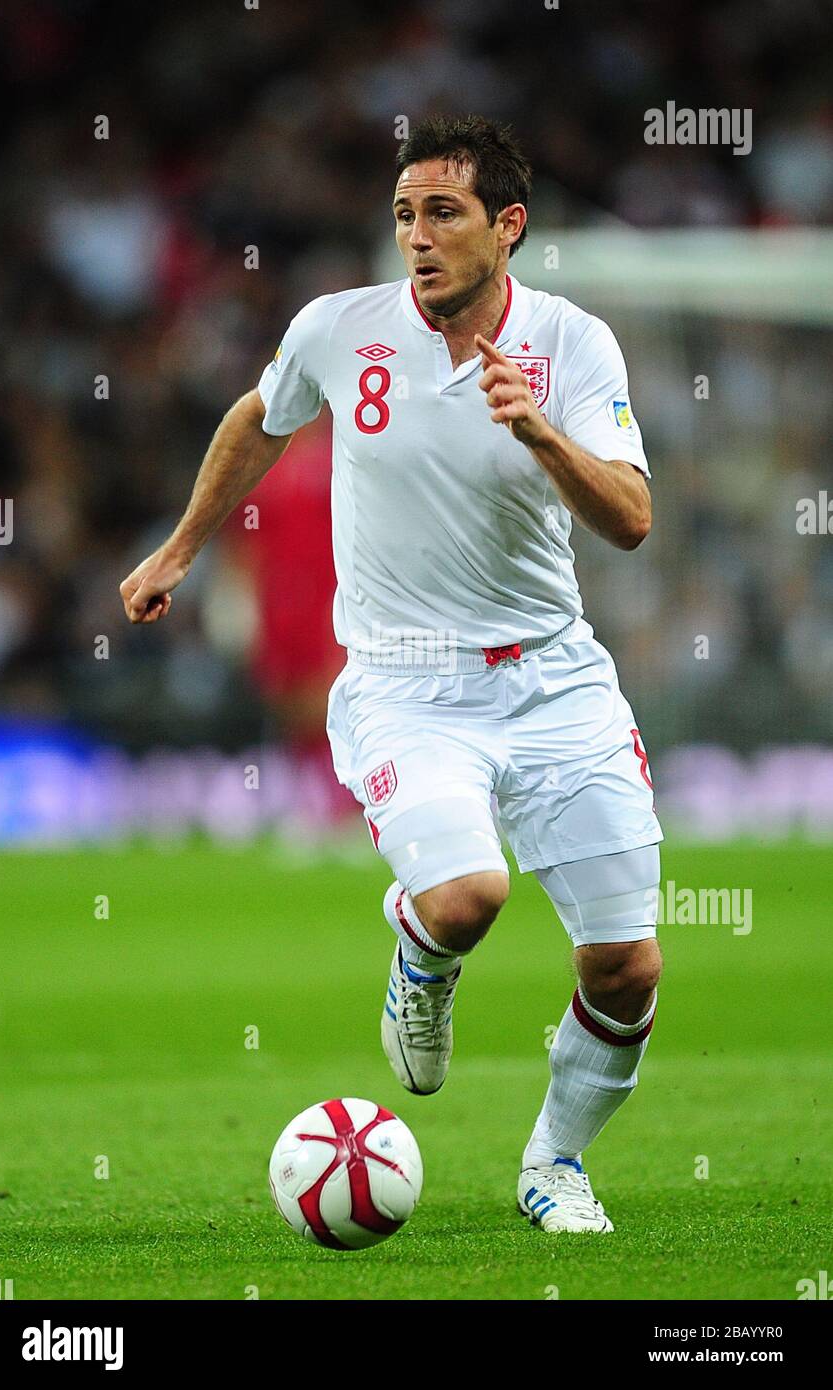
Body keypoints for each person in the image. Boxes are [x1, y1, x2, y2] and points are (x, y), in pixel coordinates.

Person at [120, 114, 663, 1235]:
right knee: (468, 898)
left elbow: (633, 522)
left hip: (556, 680)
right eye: (405, 214)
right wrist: (181, 547)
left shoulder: (574, 346)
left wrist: (544, 435)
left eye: (444, 213)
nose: (417, 236)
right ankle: (421, 958)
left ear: (509, 227)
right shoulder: (338, 329)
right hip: (406, 685)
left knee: (627, 967)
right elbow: (257, 419)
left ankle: (553, 1164)